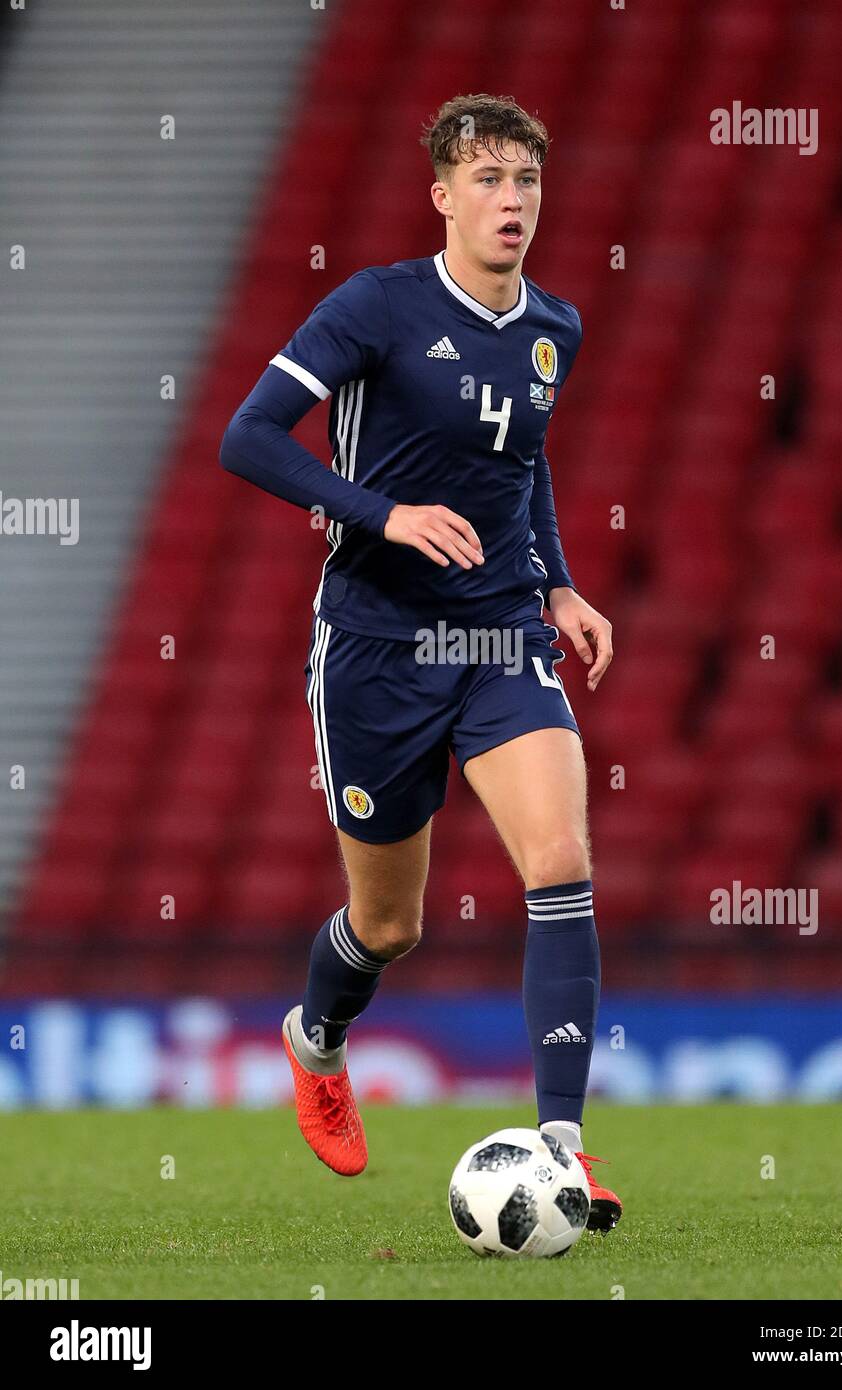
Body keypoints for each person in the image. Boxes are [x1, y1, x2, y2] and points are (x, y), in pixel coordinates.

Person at [220, 93, 618, 1232]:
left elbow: (522, 466)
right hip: (377, 646)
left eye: (525, 180)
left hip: (497, 635)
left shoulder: (557, 326)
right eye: (487, 179)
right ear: (441, 195)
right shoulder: (374, 307)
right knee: (390, 926)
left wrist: (555, 580)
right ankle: (319, 1036)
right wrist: (382, 514)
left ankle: (562, 1148)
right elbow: (246, 437)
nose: (511, 200)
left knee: (559, 856)